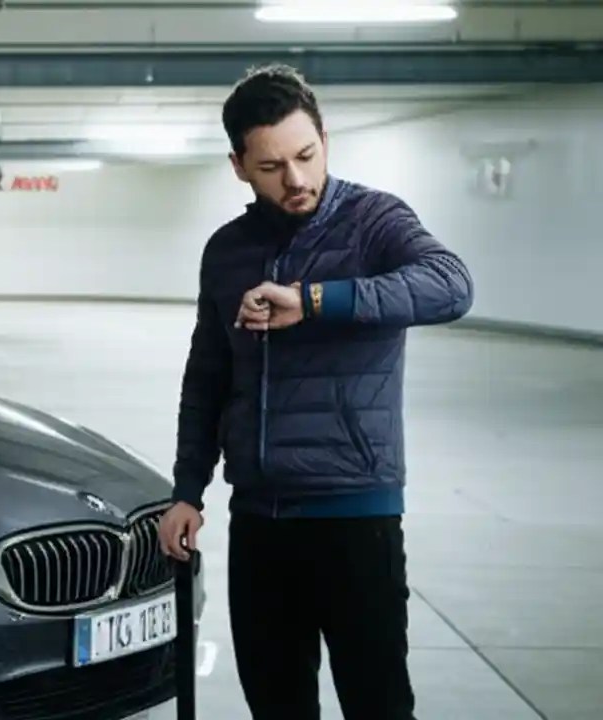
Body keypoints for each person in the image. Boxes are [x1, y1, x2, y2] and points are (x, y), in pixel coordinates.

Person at [157, 64, 474, 720]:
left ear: (325, 138)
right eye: (272, 165)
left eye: (306, 155)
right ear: (239, 165)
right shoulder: (227, 251)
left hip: (355, 515)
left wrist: (316, 300)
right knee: (276, 706)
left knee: (377, 704)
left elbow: (451, 285)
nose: (295, 179)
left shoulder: (374, 221)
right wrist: (188, 489)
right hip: (260, 523)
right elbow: (208, 375)